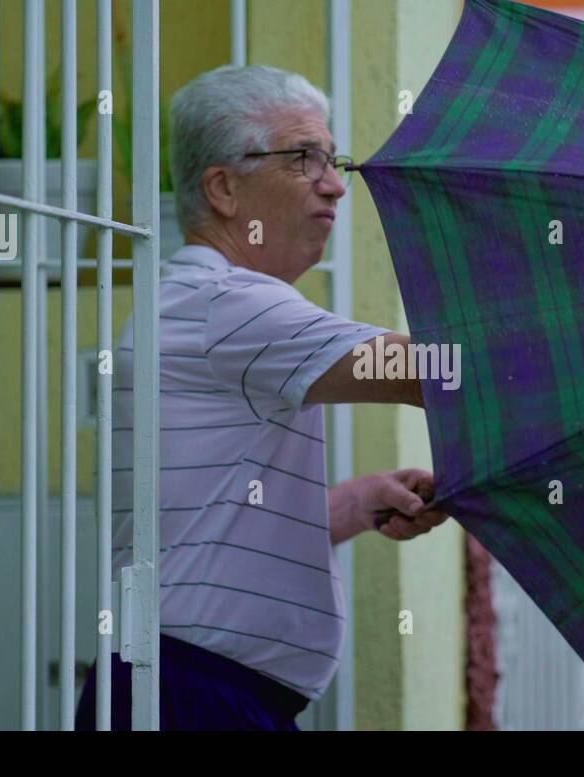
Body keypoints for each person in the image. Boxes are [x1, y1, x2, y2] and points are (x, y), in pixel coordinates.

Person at [75, 64, 449, 730]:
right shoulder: (229, 306)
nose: (335, 184)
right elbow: (431, 370)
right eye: (303, 158)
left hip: (183, 686)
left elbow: (200, 524)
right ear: (222, 186)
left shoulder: (198, 303)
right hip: (194, 697)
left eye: (332, 160)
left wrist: (355, 503)